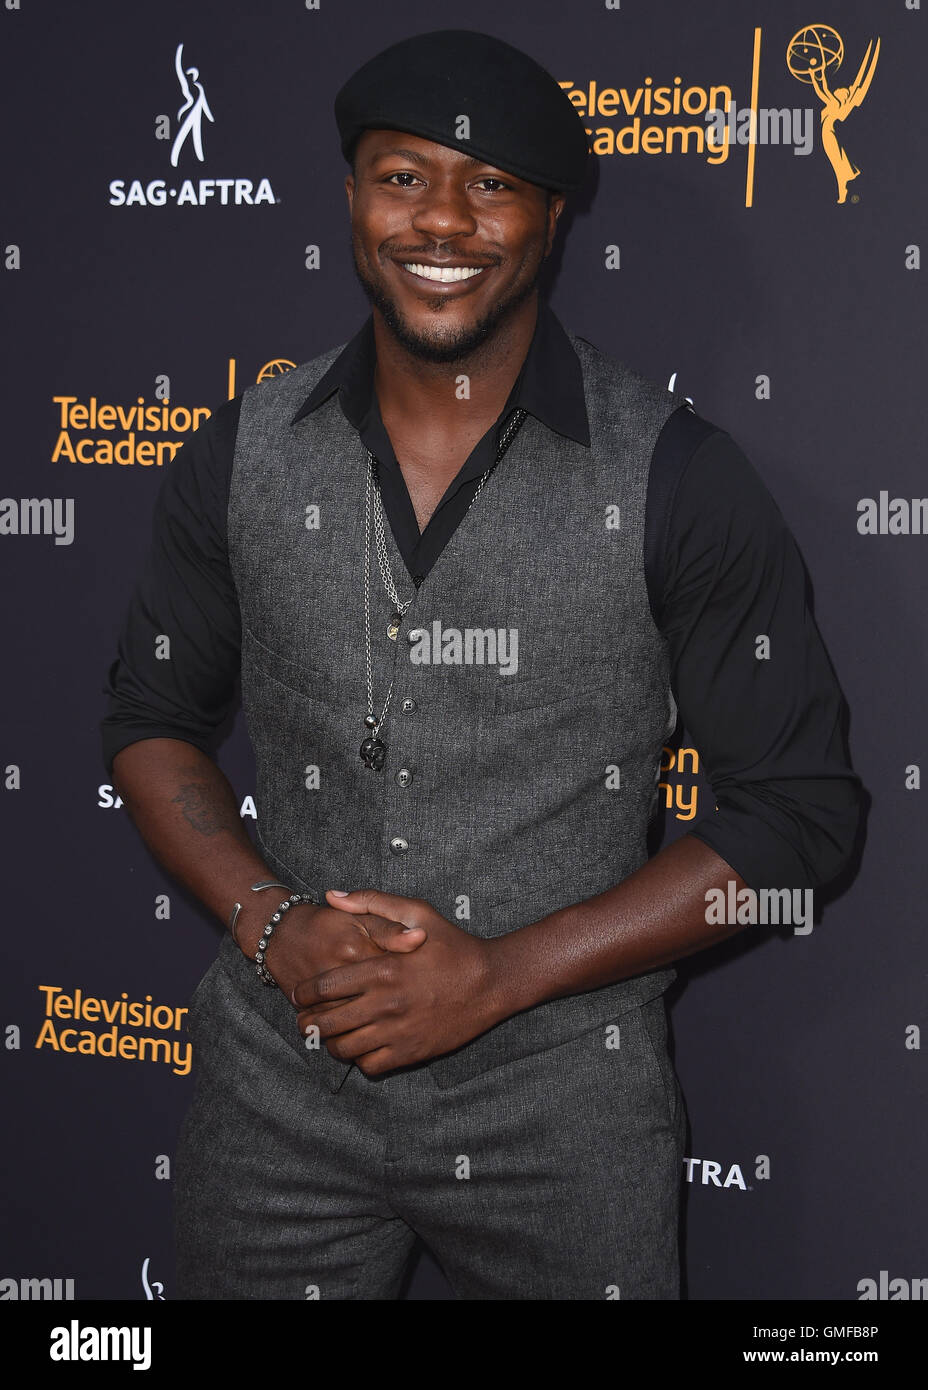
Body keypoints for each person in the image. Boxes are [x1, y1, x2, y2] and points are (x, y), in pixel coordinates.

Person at [100, 29, 861, 1300]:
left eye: (490, 183)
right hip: (278, 1089)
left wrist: (503, 975)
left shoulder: (679, 477)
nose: (441, 219)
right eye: (402, 177)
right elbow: (148, 716)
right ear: (350, 196)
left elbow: (800, 819)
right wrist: (270, 918)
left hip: (562, 1106)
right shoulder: (241, 451)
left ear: (552, 219)